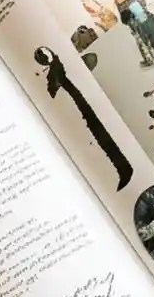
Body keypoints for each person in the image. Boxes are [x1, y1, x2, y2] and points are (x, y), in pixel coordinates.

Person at [34, 47, 134, 190]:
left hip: (82, 106)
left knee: (100, 134)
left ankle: (123, 168)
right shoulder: (55, 69)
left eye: (44, 56)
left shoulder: (55, 70)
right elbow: (52, 90)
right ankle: (123, 168)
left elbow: (52, 89)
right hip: (80, 107)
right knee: (99, 135)